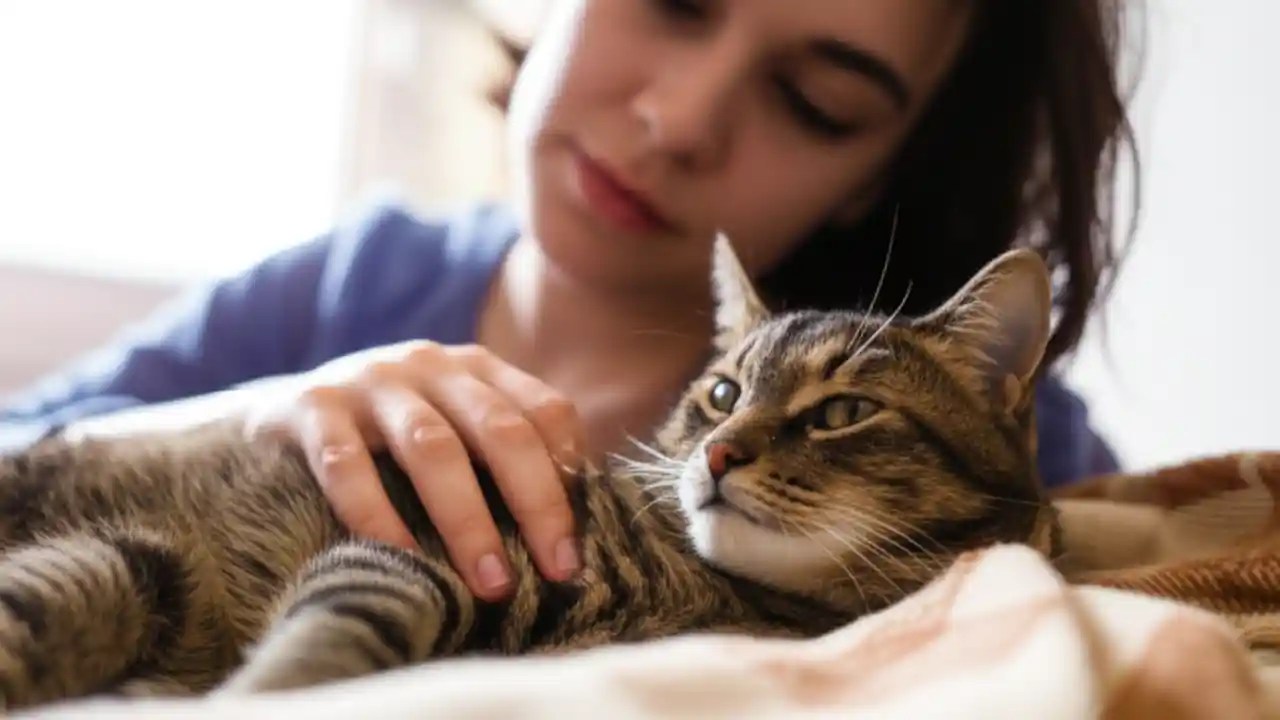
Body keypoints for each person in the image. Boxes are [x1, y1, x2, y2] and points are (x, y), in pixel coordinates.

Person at [0, 0, 1137, 602]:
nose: (678, 120)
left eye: (813, 101)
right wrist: (254, 415)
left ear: (883, 172)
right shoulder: (355, 285)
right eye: (673, 2)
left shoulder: (1002, 448)